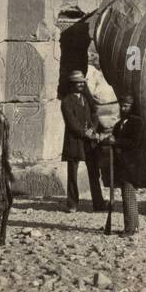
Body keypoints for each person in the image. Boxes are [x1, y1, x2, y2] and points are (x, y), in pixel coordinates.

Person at [60, 70, 105, 212]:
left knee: (94, 172)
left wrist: (92, 128)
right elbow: (71, 122)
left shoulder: (86, 99)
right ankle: (72, 204)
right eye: (77, 83)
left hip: (88, 141)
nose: (80, 85)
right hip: (75, 140)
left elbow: (95, 114)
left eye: (81, 82)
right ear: (72, 85)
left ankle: (99, 204)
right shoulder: (66, 101)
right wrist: (85, 133)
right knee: (72, 173)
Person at [106, 94, 146, 238]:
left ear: (132, 107)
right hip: (123, 165)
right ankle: (133, 226)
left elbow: (134, 143)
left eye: (126, 106)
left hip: (133, 165)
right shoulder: (119, 124)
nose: (123, 108)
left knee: (128, 196)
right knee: (128, 195)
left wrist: (116, 142)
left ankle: (130, 228)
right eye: (122, 105)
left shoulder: (137, 123)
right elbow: (116, 139)